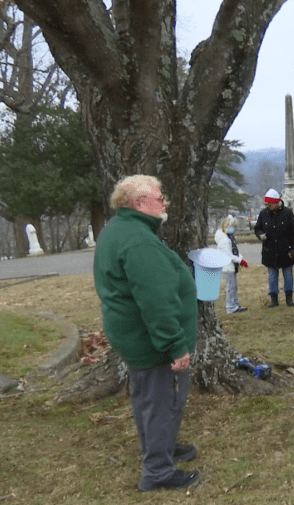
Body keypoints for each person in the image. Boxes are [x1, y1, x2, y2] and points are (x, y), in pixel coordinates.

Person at [93, 175, 200, 491]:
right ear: (139, 203)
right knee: (162, 401)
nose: (164, 202)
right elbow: (155, 300)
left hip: (133, 335)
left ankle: (161, 446)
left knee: (147, 399)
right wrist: (175, 345)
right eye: (159, 197)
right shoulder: (138, 240)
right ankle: (158, 471)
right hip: (151, 340)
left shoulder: (119, 229)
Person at [254, 189, 294, 308]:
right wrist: (260, 235)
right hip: (270, 250)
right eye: (266, 204)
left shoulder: (287, 213)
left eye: (269, 204)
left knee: (288, 275)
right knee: (272, 276)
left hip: (286, 250)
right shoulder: (263, 214)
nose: (267, 206)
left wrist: (293, 249)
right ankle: (274, 298)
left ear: (276, 202)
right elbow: (257, 228)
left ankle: (289, 297)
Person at [215, 215, 249, 314]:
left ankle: (235, 304)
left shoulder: (229, 238)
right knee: (231, 287)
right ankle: (230, 307)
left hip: (231, 266)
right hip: (227, 267)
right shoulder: (225, 240)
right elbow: (229, 255)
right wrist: (240, 261)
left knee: (234, 287)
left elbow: (235, 252)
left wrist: (241, 258)